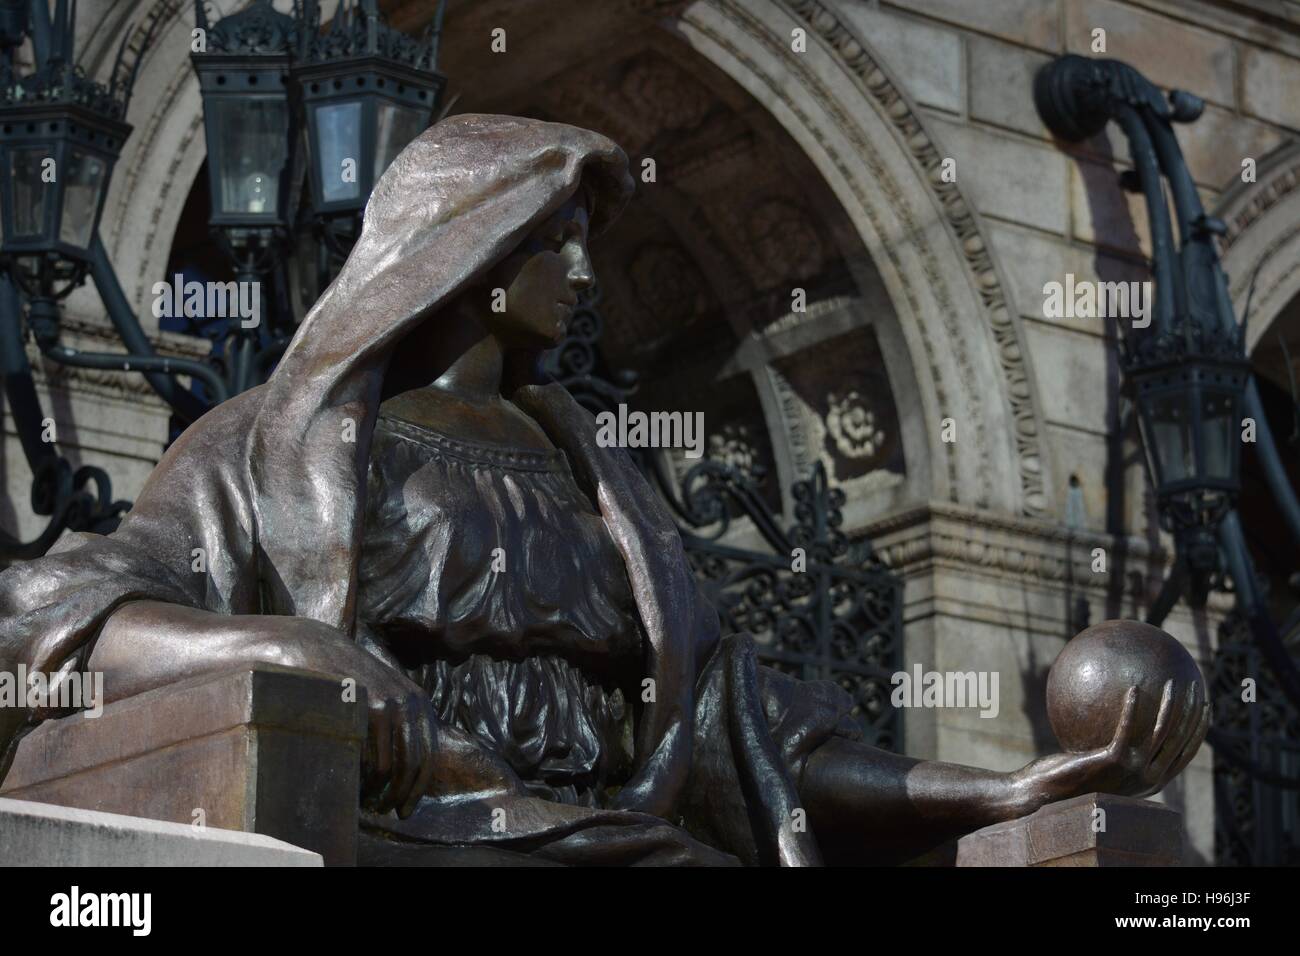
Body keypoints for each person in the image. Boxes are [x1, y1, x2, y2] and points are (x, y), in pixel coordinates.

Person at [0, 114, 1208, 865]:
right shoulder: (264, 446)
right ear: (469, 250)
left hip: (621, 841)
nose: (584, 271)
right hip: (407, 836)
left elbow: (760, 739)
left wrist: (993, 788)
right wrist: (286, 653)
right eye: (555, 239)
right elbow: (59, 615)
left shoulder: (603, 489)